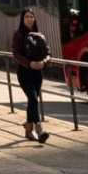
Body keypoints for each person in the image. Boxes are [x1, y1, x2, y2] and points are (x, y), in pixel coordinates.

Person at [11, 8, 51, 143]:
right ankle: (40, 130)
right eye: (27, 17)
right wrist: (29, 64)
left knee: (32, 101)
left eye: (31, 17)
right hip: (24, 73)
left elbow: (48, 53)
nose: (30, 19)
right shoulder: (18, 35)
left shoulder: (40, 35)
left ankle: (28, 130)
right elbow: (16, 54)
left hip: (37, 74)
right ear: (22, 19)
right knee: (33, 99)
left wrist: (43, 62)